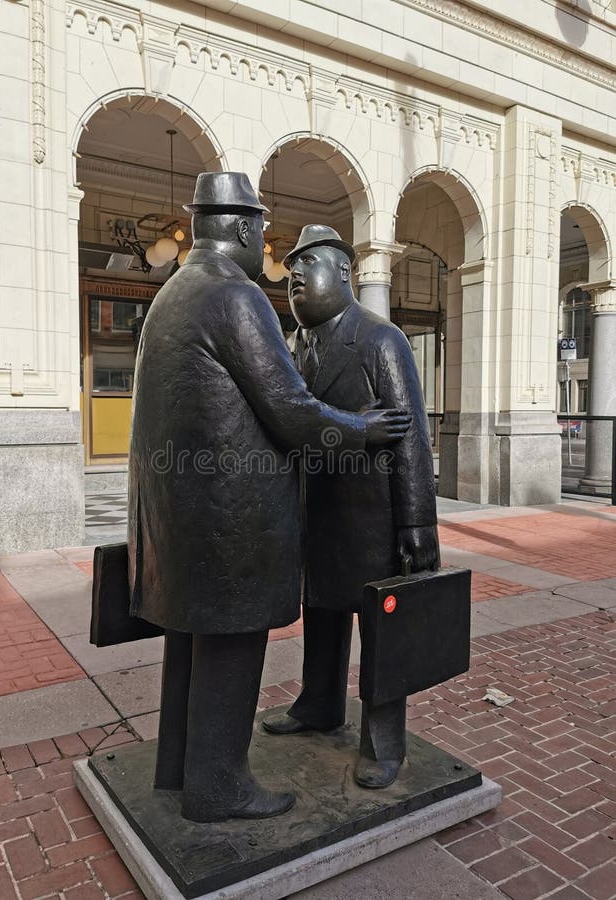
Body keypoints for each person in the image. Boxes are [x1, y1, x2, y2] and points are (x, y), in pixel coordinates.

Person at [127, 177, 412, 821]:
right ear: (245, 229)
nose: (275, 257)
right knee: (230, 641)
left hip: (179, 520)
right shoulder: (236, 294)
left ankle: (181, 769)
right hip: (230, 519)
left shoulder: (176, 291)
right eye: (265, 233)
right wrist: (363, 428)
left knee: (194, 640)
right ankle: (219, 786)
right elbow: (290, 410)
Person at [263, 224, 440, 788]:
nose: (294, 275)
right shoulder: (298, 346)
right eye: (291, 268)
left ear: (342, 272)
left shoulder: (380, 339)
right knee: (322, 611)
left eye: (307, 264)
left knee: (382, 631)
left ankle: (383, 741)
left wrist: (418, 521)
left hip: (375, 519)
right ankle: (319, 703)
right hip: (320, 514)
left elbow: (412, 438)